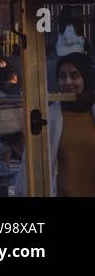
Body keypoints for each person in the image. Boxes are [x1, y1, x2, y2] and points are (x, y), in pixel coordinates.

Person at [49, 53, 95, 197]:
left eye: (74, 76)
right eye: (62, 76)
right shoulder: (50, 117)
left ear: (86, 78)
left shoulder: (92, 113)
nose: (68, 82)